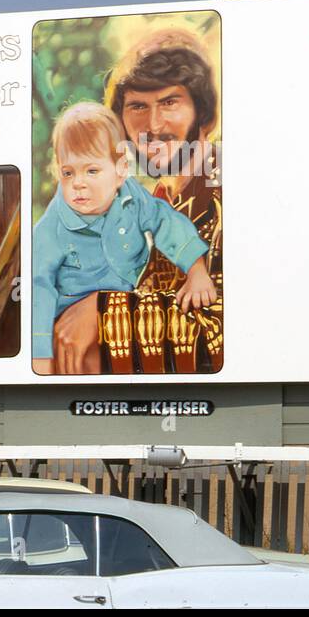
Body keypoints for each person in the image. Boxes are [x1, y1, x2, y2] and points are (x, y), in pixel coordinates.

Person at [48, 33, 225, 374]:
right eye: (138, 106)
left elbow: (225, 333)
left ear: (204, 112)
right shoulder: (149, 201)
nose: (154, 126)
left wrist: (103, 312)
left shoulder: (227, 195)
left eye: (170, 102)